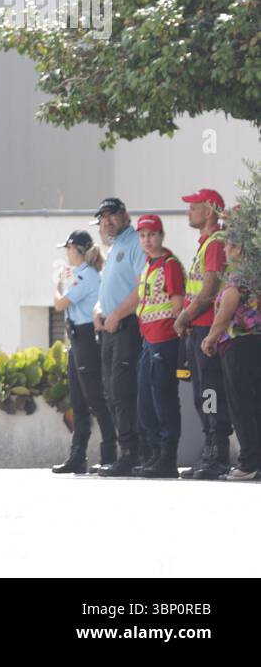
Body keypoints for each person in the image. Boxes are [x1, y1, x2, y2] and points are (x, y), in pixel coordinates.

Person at [172, 188, 232, 480]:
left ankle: (217, 453)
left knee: (210, 391)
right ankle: (210, 448)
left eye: (193, 207)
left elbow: (208, 291)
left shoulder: (216, 244)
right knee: (202, 391)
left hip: (208, 328)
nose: (188, 211)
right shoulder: (207, 243)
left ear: (209, 211)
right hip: (200, 328)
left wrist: (184, 315)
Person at [92, 198, 148, 477]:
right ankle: (126, 451)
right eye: (102, 217)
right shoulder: (114, 248)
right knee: (111, 391)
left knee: (124, 390)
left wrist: (116, 315)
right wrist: (100, 310)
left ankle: (132, 453)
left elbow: (142, 287)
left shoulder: (136, 242)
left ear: (125, 216)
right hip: (110, 330)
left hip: (127, 326)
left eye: (112, 215)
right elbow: (107, 290)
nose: (106, 221)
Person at [51, 230, 115, 473]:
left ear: (76, 250)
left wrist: (56, 284)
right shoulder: (81, 274)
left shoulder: (87, 275)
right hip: (76, 338)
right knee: (78, 400)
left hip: (87, 337)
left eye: (68, 249)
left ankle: (109, 453)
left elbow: (60, 304)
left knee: (95, 398)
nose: (66, 254)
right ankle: (77, 456)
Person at [201, 229, 261, 480]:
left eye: (228, 247)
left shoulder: (239, 275)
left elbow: (228, 307)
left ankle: (248, 463)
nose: (224, 251)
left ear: (237, 249)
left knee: (242, 406)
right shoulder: (255, 273)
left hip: (239, 344)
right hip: (254, 344)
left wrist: (210, 337)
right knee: (255, 405)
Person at [130, 214, 185, 479]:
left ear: (161, 235)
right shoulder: (148, 266)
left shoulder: (169, 264)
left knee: (163, 399)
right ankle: (152, 453)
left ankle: (167, 457)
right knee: (146, 400)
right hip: (148, 341)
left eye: (151, 234)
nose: (147, 240)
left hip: (165, 339)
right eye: (142, 236)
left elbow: (177, 304)